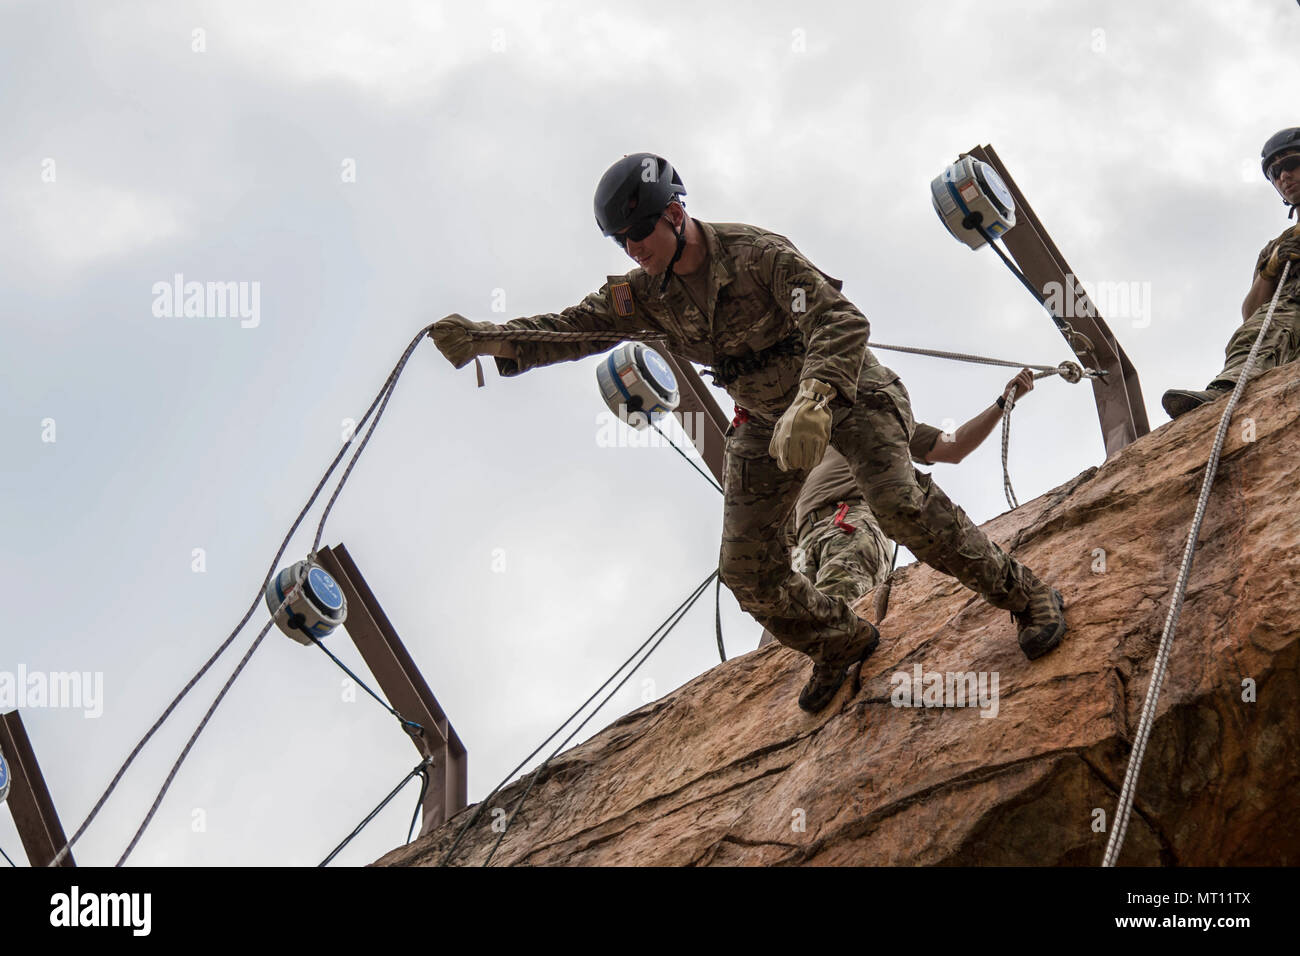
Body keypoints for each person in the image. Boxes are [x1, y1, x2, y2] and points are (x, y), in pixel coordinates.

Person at [431, 153, 1067, 712]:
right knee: (746, 569)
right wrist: (491, 340)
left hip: (848, 395)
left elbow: (840, 319)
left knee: (900, 506)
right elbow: (575, 328)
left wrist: (817, 395)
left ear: (675, 214)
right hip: (762, 422)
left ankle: (1026, 594)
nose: (632, 249)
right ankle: (840, 639)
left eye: (639, 232)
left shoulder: (756, 254)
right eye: (620, 240)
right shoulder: (644, 294)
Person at [758, 369, 1037, 648]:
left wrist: (1003, 403)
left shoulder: (876, 419)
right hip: (803, 542)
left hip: (849, 521)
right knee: (783, 635)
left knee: (837, 611)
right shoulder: (799, 440)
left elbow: (952, 446)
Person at [1162, 128, 1300, 418]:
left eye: (1290, 164)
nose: (1283, 176)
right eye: (1275, 172)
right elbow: (1253, 314)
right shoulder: (1277, 247)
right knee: (1268, 325)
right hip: (1290, 334)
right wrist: (1270, 268)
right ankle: (1229, 390)